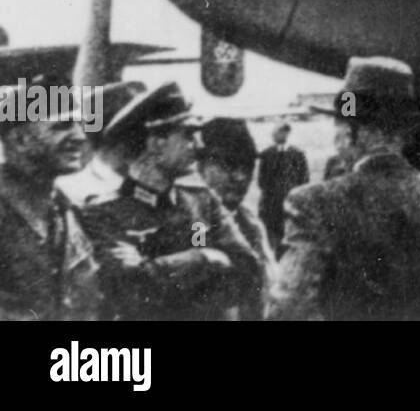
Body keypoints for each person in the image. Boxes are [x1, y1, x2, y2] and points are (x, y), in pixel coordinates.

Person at [267, 56, 420, 320]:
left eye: (338, 127)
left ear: (351, 131)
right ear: (405, 131)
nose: (336, 140)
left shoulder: (312, 203)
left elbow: (289, 307)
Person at [77, 82, 262, 320]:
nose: (198, 145)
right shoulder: (100, 214)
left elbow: (249, 270)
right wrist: (206, 257)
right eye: (187, 135)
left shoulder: (202, 202)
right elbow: (127, 293)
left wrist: (153, 266)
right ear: (156, 144)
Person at [0, 75, 100, 320]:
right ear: (21, 140)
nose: (80, 136)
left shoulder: (68, 210)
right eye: (62, 126)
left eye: (78, 124)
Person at [197, 117, 276, 320]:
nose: (241, 177)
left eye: (248, 167)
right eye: (228, 165)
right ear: (200, 167)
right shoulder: (191, 221)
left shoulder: (251, 224)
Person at [57, 80, 146, 206]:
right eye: (137, 126)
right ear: (116, 133)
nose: (149, 135)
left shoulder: (142, 177)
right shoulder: (73, 190)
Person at [256, 122, 309, 254]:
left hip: (290, 202)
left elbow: (304, 179)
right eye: (276, 132)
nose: (277, 135)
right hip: (271, 205)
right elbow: (261, 180)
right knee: (270, 238)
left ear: (287, 134)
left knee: (290, 237)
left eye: (281, 132)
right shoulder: (267, 154)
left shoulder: (297, 154)